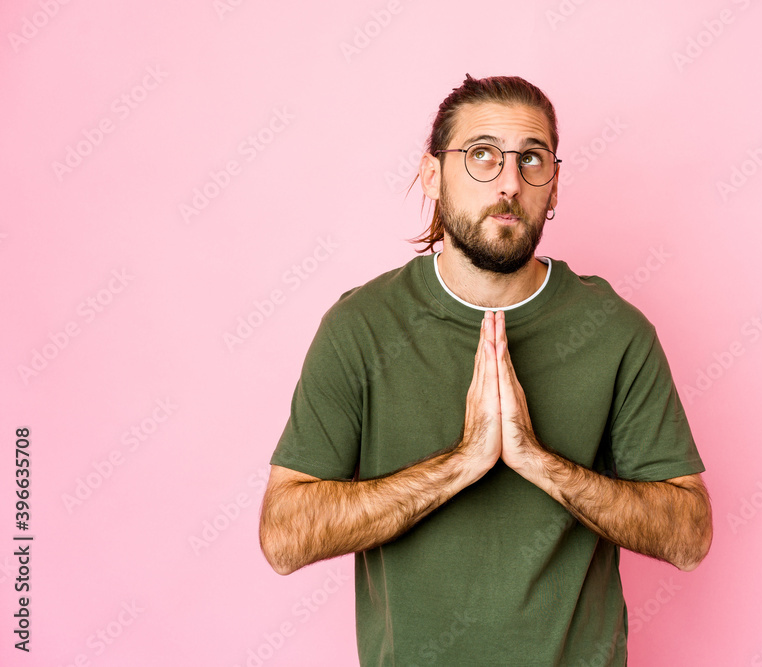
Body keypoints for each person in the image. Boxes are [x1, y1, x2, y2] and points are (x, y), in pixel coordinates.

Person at [259, 73, 712, 666]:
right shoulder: (361, 328)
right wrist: (463, 463)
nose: (509, 183)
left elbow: (689, 536)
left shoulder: (615, 332)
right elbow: (284, 536)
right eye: (481, 155)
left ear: (553, 188)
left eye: (532, 160)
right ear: (431, 175)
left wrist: (537, 461)